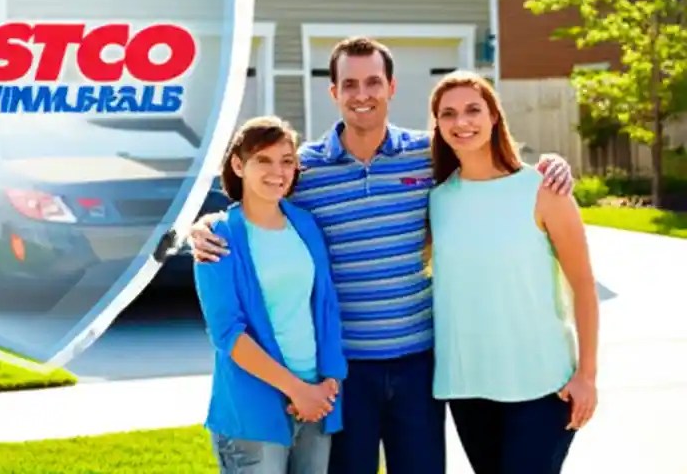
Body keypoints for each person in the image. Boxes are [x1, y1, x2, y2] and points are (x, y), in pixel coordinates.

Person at [188, 37, 575, 474]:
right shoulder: (306, 170)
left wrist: (553, 163)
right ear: (333, 92)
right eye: (349, 84)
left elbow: (488, 167)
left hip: (418, 365)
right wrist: (204, 227)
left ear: (391, 87)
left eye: (373, 82)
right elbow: (259, 200)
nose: (362, 94)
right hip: (346, 370)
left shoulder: (427, 156)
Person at [427, 71, 598, 474]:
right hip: (469, 386)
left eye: (473, 109)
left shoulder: (543, 190)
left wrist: (587, 376)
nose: (461, 122)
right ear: (438, 126)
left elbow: (584, 286)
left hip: (544, 384)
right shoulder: (436, 199)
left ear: (494, 117)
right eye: (448, 114)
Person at [194, 115, 348, 474]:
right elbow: (228, 334)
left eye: (287, 160)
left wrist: (327, 383)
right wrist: (296, 390)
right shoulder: (218, 236)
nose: (277, 171)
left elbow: (325, 308)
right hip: (253, 408)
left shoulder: (305, 224)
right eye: (263, 160)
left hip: (317, 400)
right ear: (238, 164)